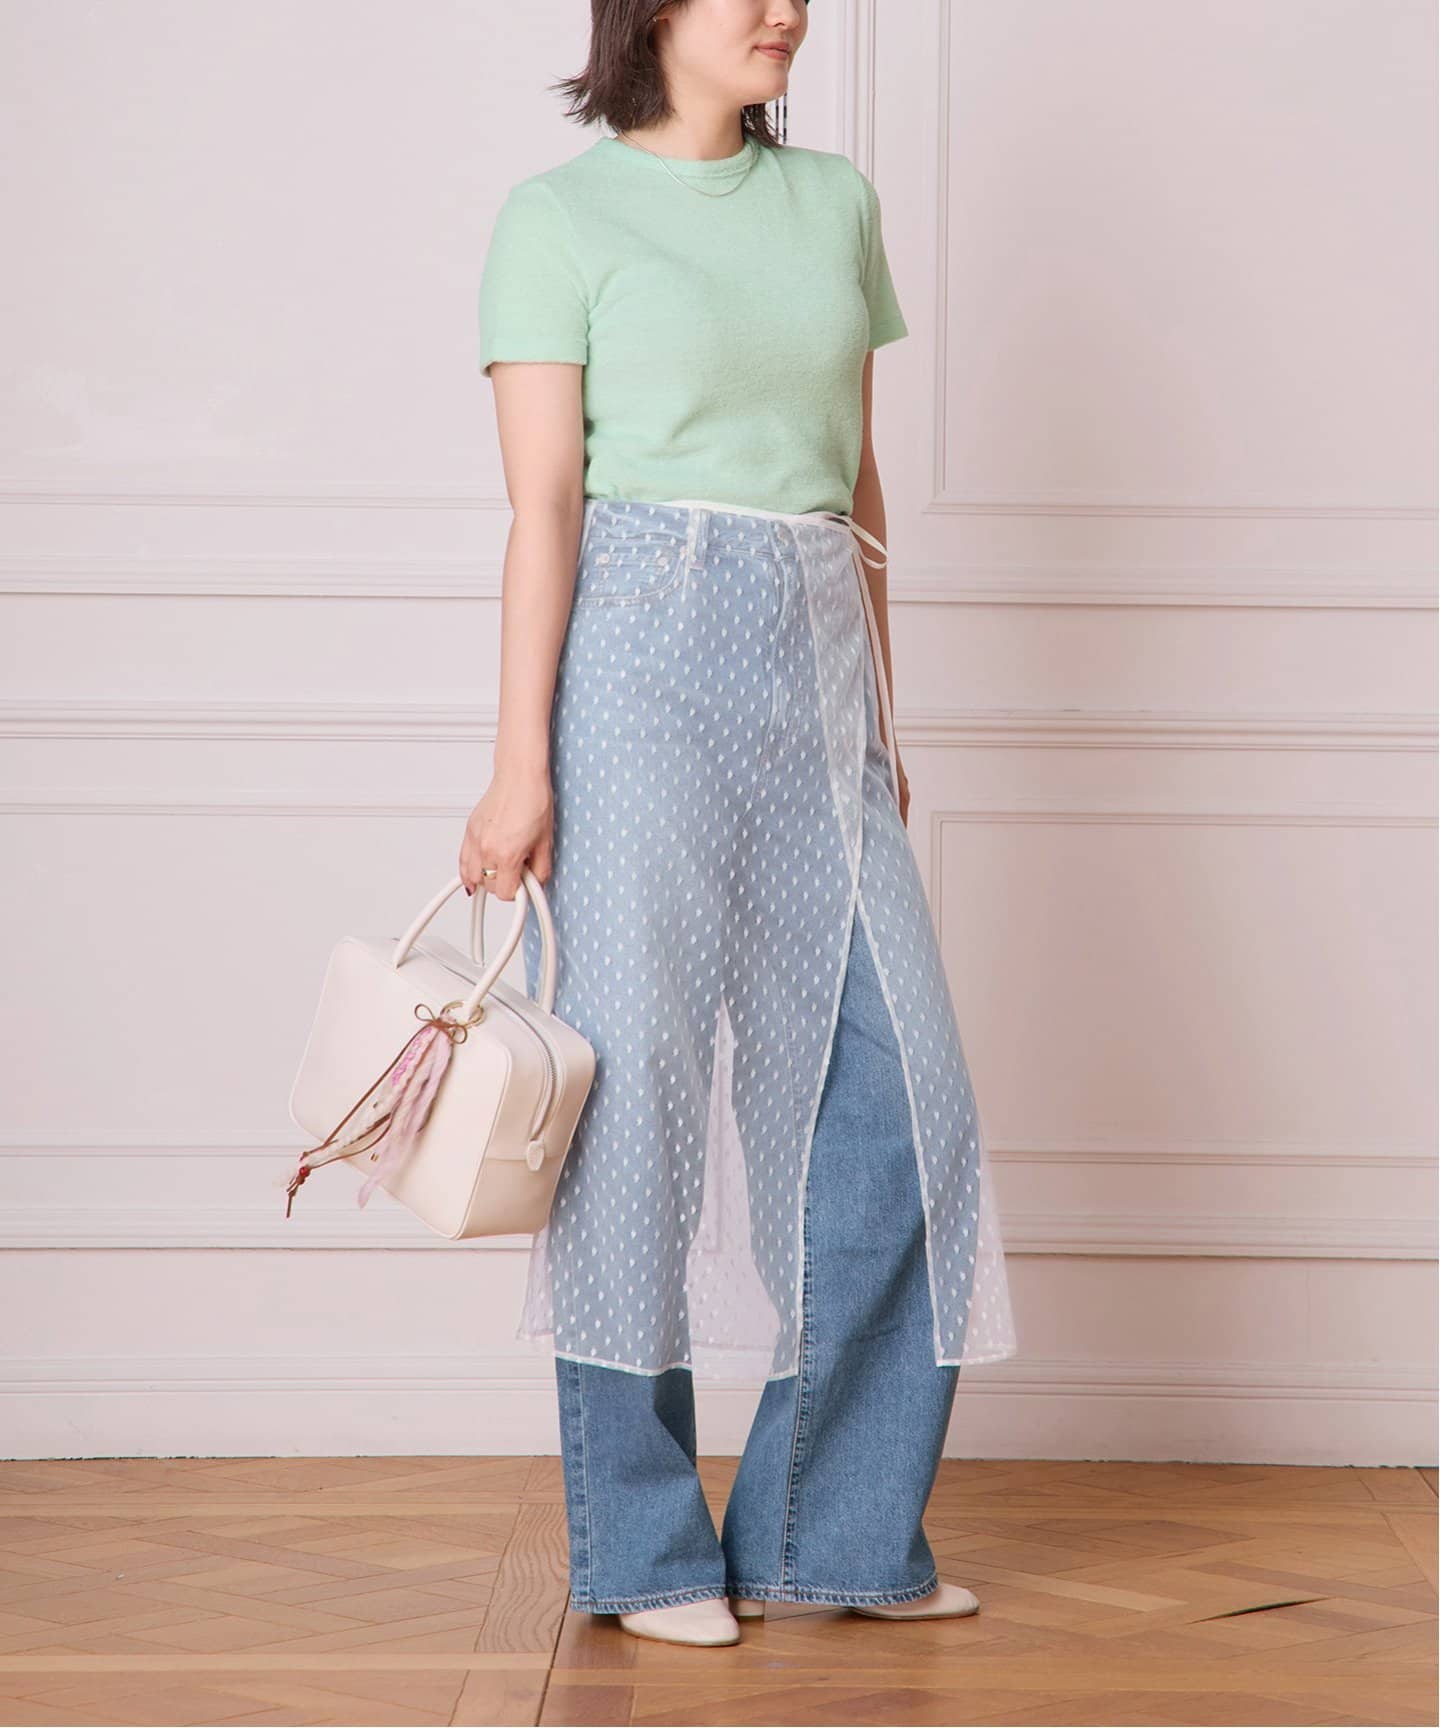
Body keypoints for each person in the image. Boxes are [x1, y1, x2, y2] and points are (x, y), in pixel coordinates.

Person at [466, 0, 1018, 1648]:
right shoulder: (557, 217)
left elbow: (858, 484)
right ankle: (642, 1554)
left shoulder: (835, 203)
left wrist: (885, 715)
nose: (785, 10)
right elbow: (544, 507)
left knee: (908, 1104)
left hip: (819, 667)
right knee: (630, 1103)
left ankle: (821, 1532)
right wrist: (518, 765)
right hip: (641, 661)